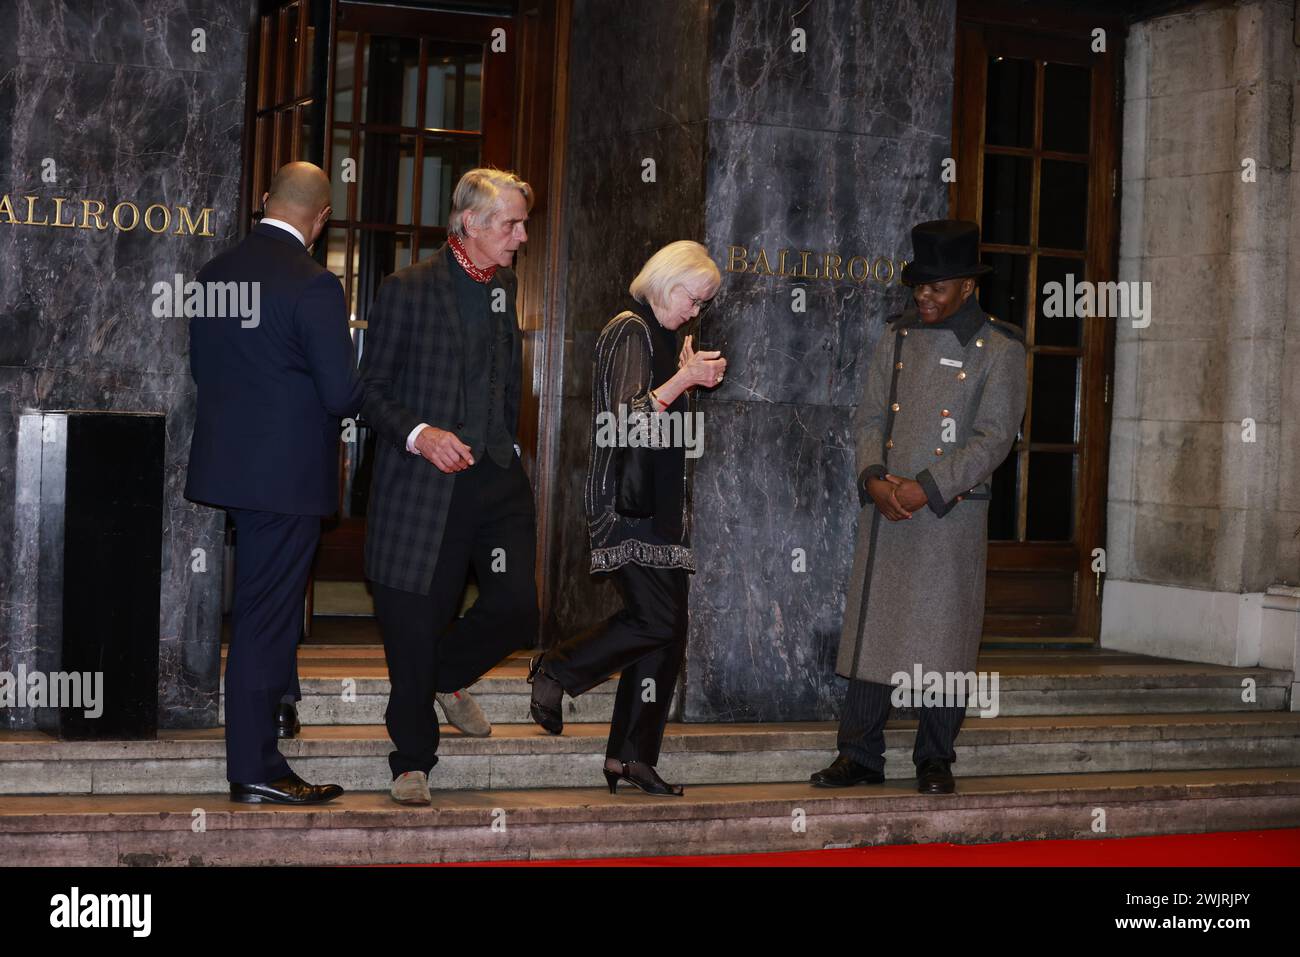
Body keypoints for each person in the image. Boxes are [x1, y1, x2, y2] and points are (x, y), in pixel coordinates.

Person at [812, 219, 1026, 795]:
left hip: (945, 515)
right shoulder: (897, 337)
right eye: (919, 287)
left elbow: (993, 439)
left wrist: (926, 486)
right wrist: (873, 478)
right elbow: (869, 418)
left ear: (968, 287)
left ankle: (935, 757)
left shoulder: (1000, 349)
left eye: (937, 287)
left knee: (945, 638)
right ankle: (859, 753)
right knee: (873, 631)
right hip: (886, 509)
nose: (924, 297)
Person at [361, 168, 539, 806]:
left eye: (522, 223)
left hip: (496, 475)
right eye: (510, 224)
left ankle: (441, 677)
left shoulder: (505, 285)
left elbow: (499, 377)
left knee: (518, 607)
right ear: (469, 222)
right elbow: (369, 392)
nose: (520, 236)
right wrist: (421, 433)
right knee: (417, 619)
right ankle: (411, 760)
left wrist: (508, 443)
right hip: (427, 483)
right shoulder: (406, 289)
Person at [186, 161, 362, 804]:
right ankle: (255, 768)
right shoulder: (314, 285)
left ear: (264, 200)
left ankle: (278, 708)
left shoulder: (212, 275)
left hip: (232, 471)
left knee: (265, 609)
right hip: (286, 478)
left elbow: (205, 372)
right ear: (320, 221)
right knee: (264, 618)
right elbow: (341, 393)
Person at [527, 240, 725, 796]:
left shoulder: (666, 338)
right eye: (694, 297)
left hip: (659, 511)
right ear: (667, 280)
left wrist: (690, 378)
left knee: (667, 635)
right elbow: (625, 425)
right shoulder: (628, 328)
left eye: (704, 303)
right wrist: (684, 381)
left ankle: (631, 758)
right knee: (656, 622)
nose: (696, 311)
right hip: (625, 508)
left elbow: (662, 426)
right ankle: (558, 670)